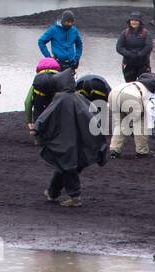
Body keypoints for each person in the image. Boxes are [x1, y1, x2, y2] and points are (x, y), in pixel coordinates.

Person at [34, 74, 108, 207]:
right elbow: (94, 113)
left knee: (67, 166)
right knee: (64, 166)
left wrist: (37, 128)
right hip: (81, 138)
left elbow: (45, 116)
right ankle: (52, 192)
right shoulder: (79, 97)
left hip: (67, 139)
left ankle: (75, 197)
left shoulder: (61, 98)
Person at [109, 77, 153, 158]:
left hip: (113, 93)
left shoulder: (137, 84)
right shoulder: (153, 91)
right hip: (131, 96)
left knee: (120, 123)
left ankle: (114, 149)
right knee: (140, 122)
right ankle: (142, 151)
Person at [25, 58, 67, 136]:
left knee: (38, 109)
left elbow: (27, 102)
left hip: (40, 92)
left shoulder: (37, 80)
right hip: (55, 86)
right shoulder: (58, 76)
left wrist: (29, 121)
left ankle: (37, 136)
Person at [115, 13, 153, 82]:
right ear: (129, 21)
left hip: (143, 65)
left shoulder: (146, 33)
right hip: (128, 65)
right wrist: (129, 54)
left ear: (140, 22)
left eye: (136, 20)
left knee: (144, 85)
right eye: (132, 20)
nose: (134, 22)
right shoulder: (124, 33)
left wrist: (139, 54)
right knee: (130, 85)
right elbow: (119, 47)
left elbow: (149, 47)